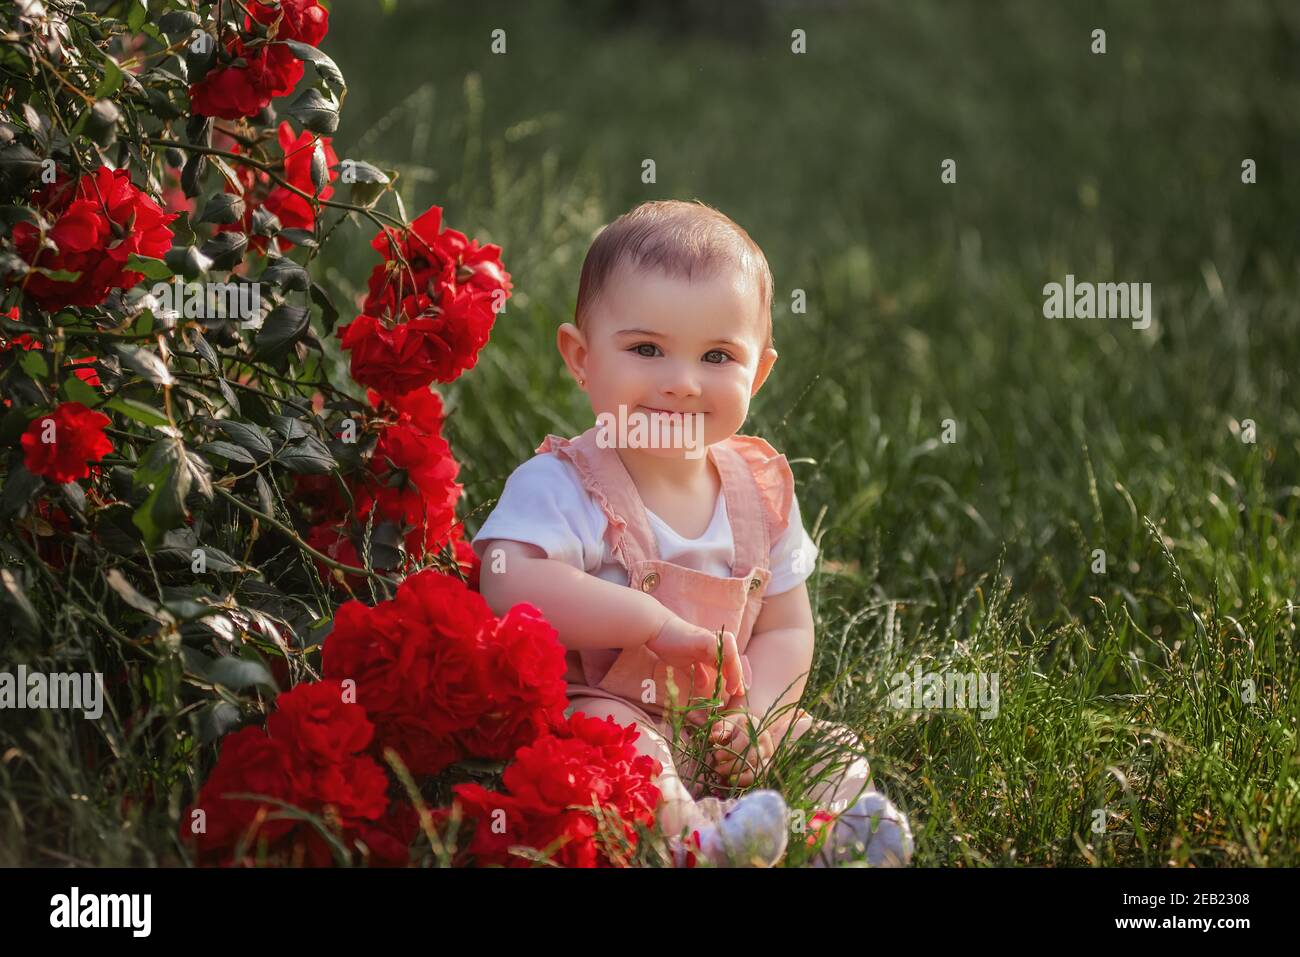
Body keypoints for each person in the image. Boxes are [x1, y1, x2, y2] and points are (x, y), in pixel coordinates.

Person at [473, 200, 913, 867]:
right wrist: (647, 622)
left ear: (758, 374)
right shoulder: (565, 484)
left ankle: (840, 830)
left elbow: (788, 628)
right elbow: (507, 580)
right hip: (616, 706)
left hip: (730, 723)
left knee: (831, 739)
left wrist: (758, 719)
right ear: (581, 357)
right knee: (615, 735)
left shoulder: (760, 490)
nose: (681, 383)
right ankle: (696, 838)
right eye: (647, 348)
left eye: (716, 355)